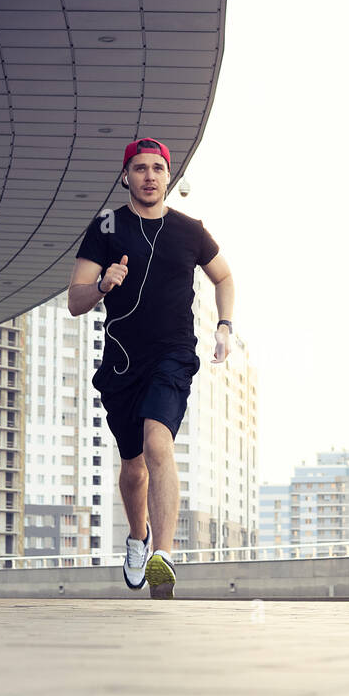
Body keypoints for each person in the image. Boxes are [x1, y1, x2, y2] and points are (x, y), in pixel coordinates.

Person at [67, 137, 235, 599]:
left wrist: (224, 326)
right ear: (126, 176)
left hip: (174, 355)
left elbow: (223, 276)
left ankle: (163, 556)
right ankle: (138, 538)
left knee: (158, 443)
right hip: (122, 361)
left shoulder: (191, 231)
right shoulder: (106, 227)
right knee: (133, 464)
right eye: (139, 168)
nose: (149, 176)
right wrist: (103, 283)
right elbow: (74, 300)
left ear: (168, 176)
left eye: (157, 169)